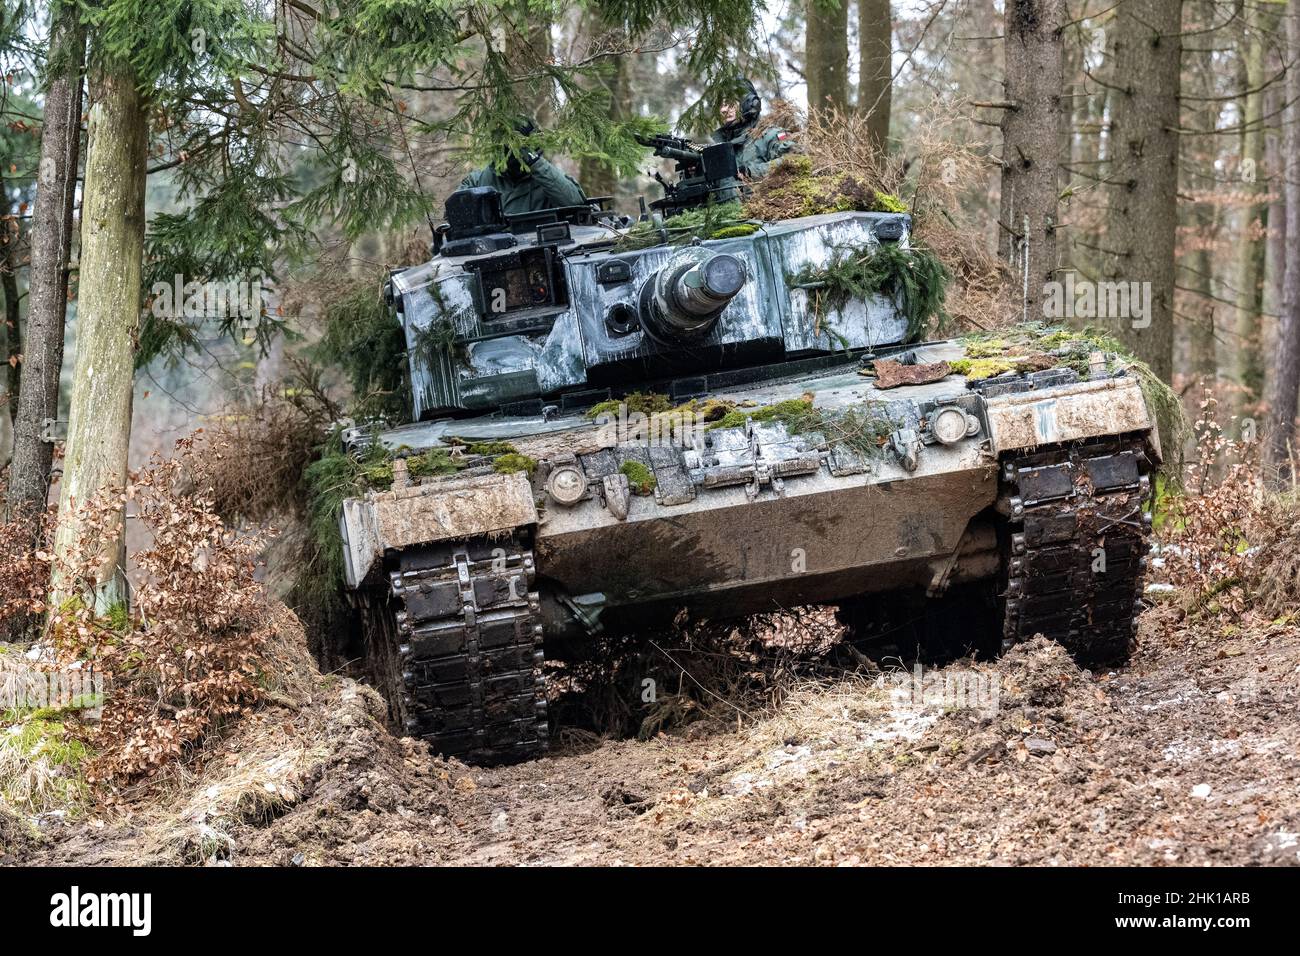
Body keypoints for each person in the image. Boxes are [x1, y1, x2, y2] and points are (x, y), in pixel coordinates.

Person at [461, 118, 588, 216]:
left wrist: (535, 163)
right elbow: (457, 214)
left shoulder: (547, 177)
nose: (513, 154)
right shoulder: (477, 181)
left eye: (518, 148)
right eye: (507, 148)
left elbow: (575, 204)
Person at [712, 78, 794, 181]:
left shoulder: (770, 134)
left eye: (730, 103)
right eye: (721, 105)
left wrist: (751, 172)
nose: (723, 110)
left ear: (748, 103)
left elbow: (794, 158)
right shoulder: (717, 145)